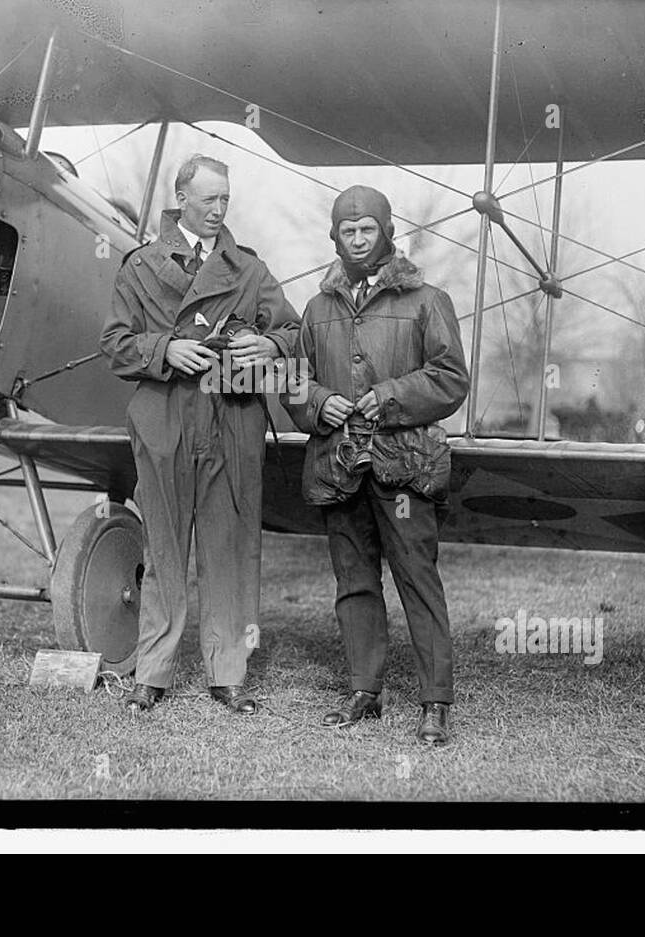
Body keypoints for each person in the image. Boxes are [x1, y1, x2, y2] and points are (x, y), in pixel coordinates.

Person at [100, 155, 301, 715]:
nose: (218, 210)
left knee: (230, 546)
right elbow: (115, 343)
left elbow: (291, 328)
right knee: (164, 547)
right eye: (209, 199)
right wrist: (165, 349)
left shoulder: (250, 270)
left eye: (226, 200)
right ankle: (153, 671)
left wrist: (269, 346)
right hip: (164, 415)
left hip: (233, 419)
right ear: (180, 197)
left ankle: (228, 672)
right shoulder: (140, 266)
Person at [284, 185, 469, 744]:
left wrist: (387, 397)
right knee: (354, 582)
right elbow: (293, 384)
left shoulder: (427, 300)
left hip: (405, 467)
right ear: (334, 236)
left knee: (418, 579)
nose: (358, 239)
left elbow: (451, 379)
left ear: (387, 232)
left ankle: (435, 701)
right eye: (348, 230)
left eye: (368, 229)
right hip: (338, 466)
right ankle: (365, 691)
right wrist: (318, 403)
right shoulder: (316, 309)